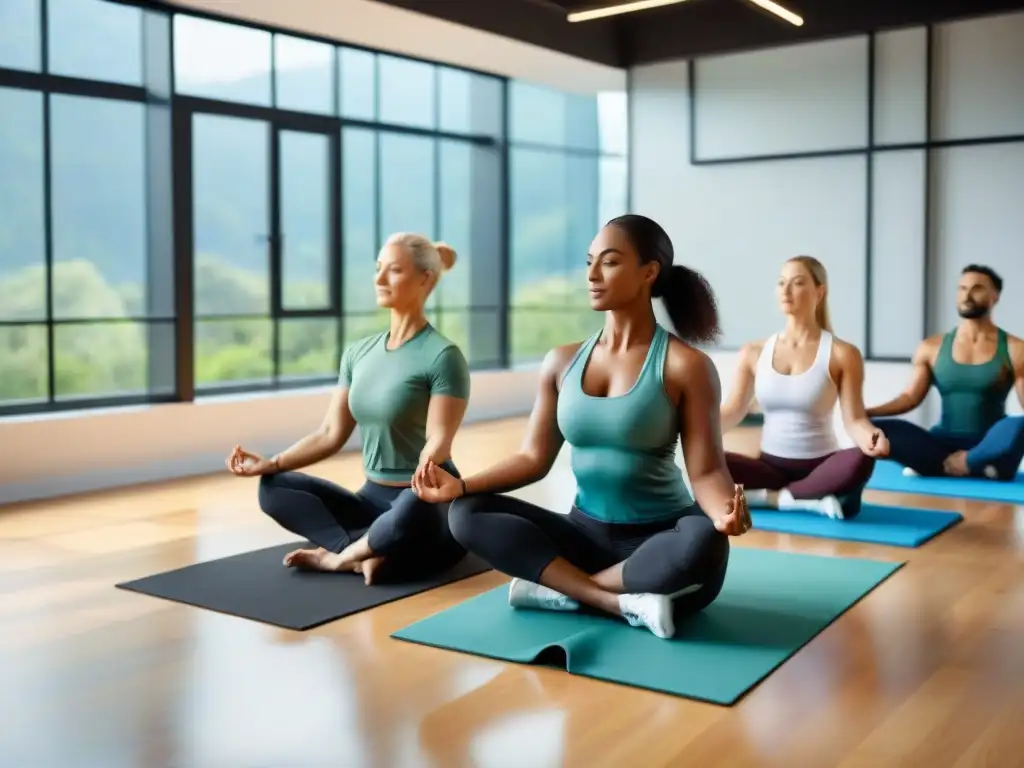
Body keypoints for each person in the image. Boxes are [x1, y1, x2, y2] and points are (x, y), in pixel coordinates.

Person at [411, 214, 749, 641]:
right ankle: (613, 600)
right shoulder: (562, 361)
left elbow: (706, 471)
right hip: (583, 534)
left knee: (706, 541)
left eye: (608, 262)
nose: (591, 274)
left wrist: (724, 511)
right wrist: (460, 487)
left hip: (661, 541)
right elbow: (534, 459)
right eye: (589, 261)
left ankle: (558, 589)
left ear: (649, 272)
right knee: (468, 512)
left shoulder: (686, 366)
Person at [225, 233, 471, 584]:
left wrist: (419, 485)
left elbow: (439, 442)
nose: (380, 279)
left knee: (411, 510)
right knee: (273, 488)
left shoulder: (443, 356)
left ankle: (342, 556)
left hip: (424, 502)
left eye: (394, 270)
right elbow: (330, 434)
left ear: (424, 278)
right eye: (378, 269)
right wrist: (272, 462)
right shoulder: (358, 354)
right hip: (371, 500)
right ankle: (368, 552)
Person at [719, 256, 889, 520]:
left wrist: (871, 436)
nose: (786, 291)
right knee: (703, 462)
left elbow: (854, 420)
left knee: (862, 457)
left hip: (821, 466)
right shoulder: (753, 352)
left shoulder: (843, 354)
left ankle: (768, 498)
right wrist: (694, 437)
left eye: (797, 283)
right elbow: (733, 410)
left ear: (819, 292)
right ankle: (803, 499)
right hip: (769, 466)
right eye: (781, 282)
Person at [867, 264, 1024, 481]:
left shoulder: (1015, 348)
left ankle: (966, 462)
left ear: (995, 296)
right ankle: (967, 466)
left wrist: (974, 455)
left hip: (991, 445)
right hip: (942, 444)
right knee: (873, 428)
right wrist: (867, 412)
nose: (967, 295)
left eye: (977, 288)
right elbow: (910, 398)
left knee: (1020, 424)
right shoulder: (931, 347)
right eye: (961, 288)